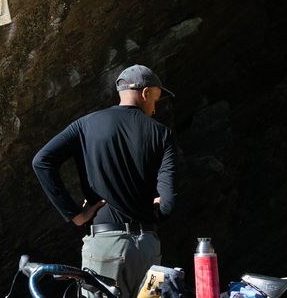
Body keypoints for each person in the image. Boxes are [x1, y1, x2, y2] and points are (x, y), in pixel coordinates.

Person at [31, 65, 178, 298]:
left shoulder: (85, 125)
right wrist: (157, 206)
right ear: (146, 93)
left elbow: (42, 161)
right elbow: (168, 203)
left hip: (104, 248)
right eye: (156, 101)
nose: (154, 109)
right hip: (149, 251)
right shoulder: (162, 134)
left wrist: (75, 214)